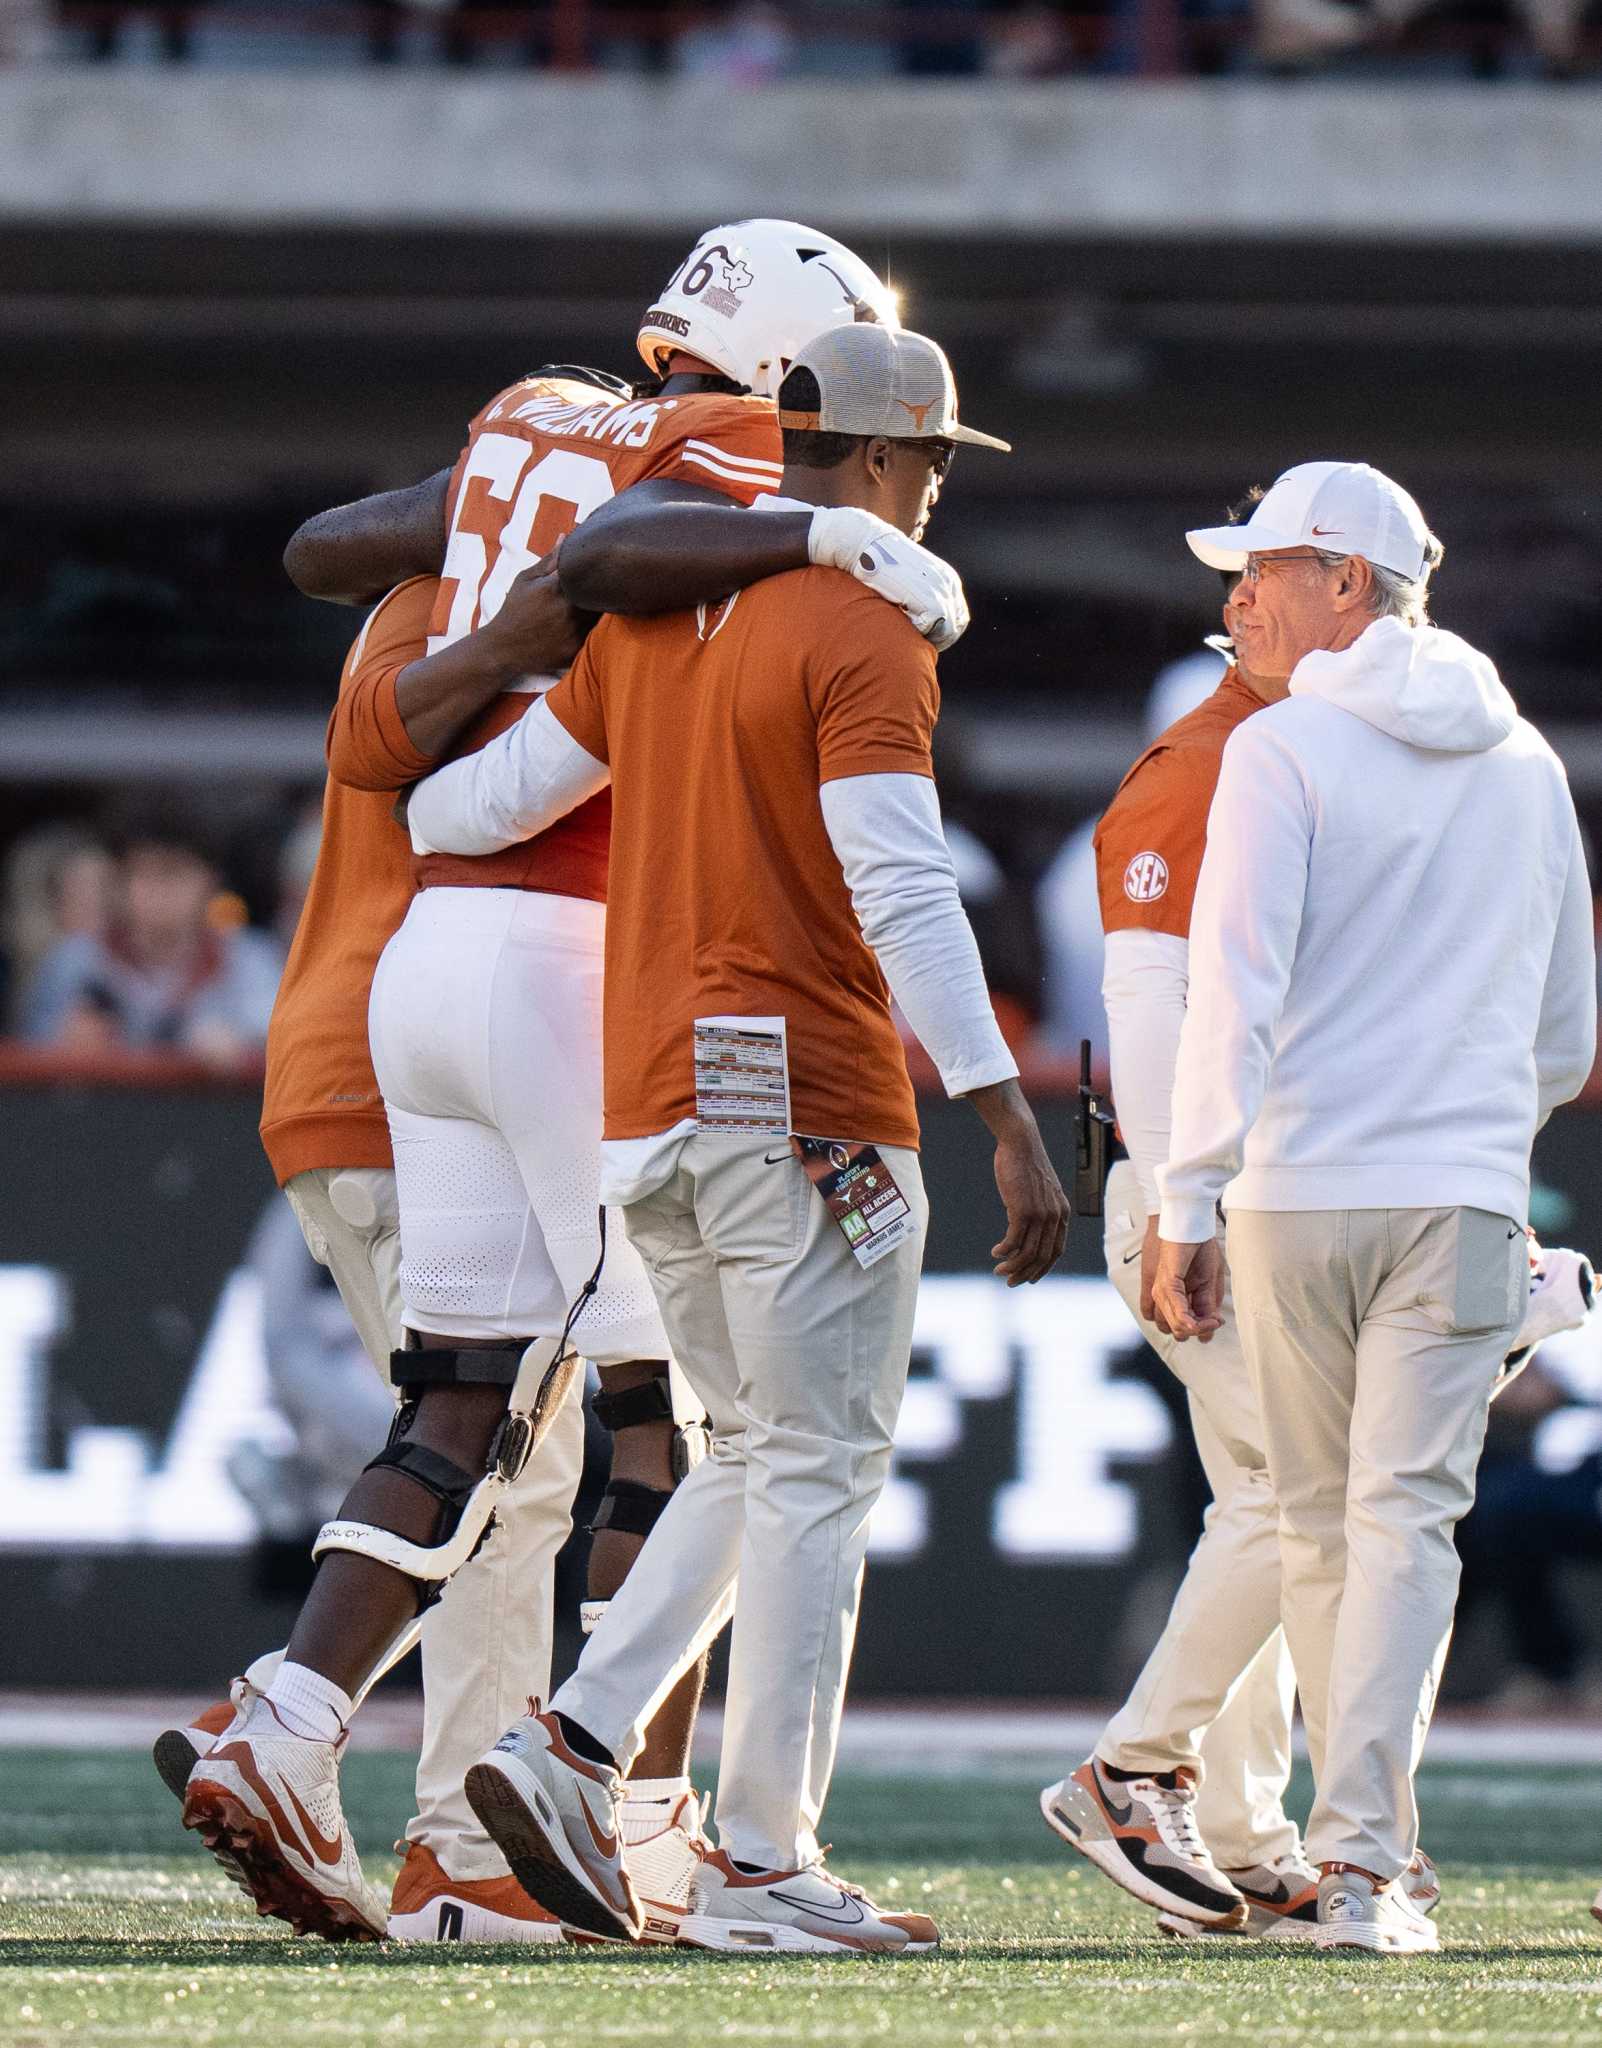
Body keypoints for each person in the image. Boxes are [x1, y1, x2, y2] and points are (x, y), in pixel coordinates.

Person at [171, 221, 966, 1947]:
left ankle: (288, 1716)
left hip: (433, 943)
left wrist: (494, 565)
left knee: (457, 1400)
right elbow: (621, 545)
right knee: (659, 1424)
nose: (842, 451)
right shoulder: (720, 469)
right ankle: (633, 1815)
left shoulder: (531, 416)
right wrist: (828, 528)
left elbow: (350, 582)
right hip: (566, 958)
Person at [405, 322, 1069, 1956]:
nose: (929, 495)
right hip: (808, 1093)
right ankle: (762, 1857)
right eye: (925, 463)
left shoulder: (651, 625)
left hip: (647, 1105)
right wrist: (1004, 1112)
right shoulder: (865, 621)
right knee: (821, 1465)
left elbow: (462, 809)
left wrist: (392, 734)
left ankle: (567, 1742)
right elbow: (900, 887)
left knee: (761, 1449)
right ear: (882, 457)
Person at [1152, 461, 1597, 1955]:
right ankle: (1363, 1869)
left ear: (1345, 582)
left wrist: (1187, 1192)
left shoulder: (1278, 753)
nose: (1238, 600)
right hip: (1458, 1191)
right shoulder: (1524, 763)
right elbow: (1563, 1031)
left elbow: (1236, 995)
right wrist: (1483, 1136)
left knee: (1327, 1531)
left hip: (1295, 1193)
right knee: (1405, 1525)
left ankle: (1343, 1861)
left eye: (1263, 569)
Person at [1041, 543, 1436, 1940]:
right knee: (1294, 1492)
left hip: (1262, 1194)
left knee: (1259, 1502)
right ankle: (1128, 1769)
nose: (1237, 601)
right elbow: (1146, 1001)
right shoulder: (1206, 765)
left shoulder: (1301, 756)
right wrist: (1175, 1202)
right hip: (1206, 1198)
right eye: (1243, 583)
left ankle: (1241, 1829)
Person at [23, 808, 279, 1064]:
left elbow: (278, 1040)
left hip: (216, 1104)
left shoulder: (251, 960)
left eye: (174, 872)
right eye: (143, 874)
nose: (159, 891)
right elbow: (31, 1055)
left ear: (210, 881)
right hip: (105, 1102)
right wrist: (69, 1043)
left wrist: (240, 1042)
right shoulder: (75, 961)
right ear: (118, 884)